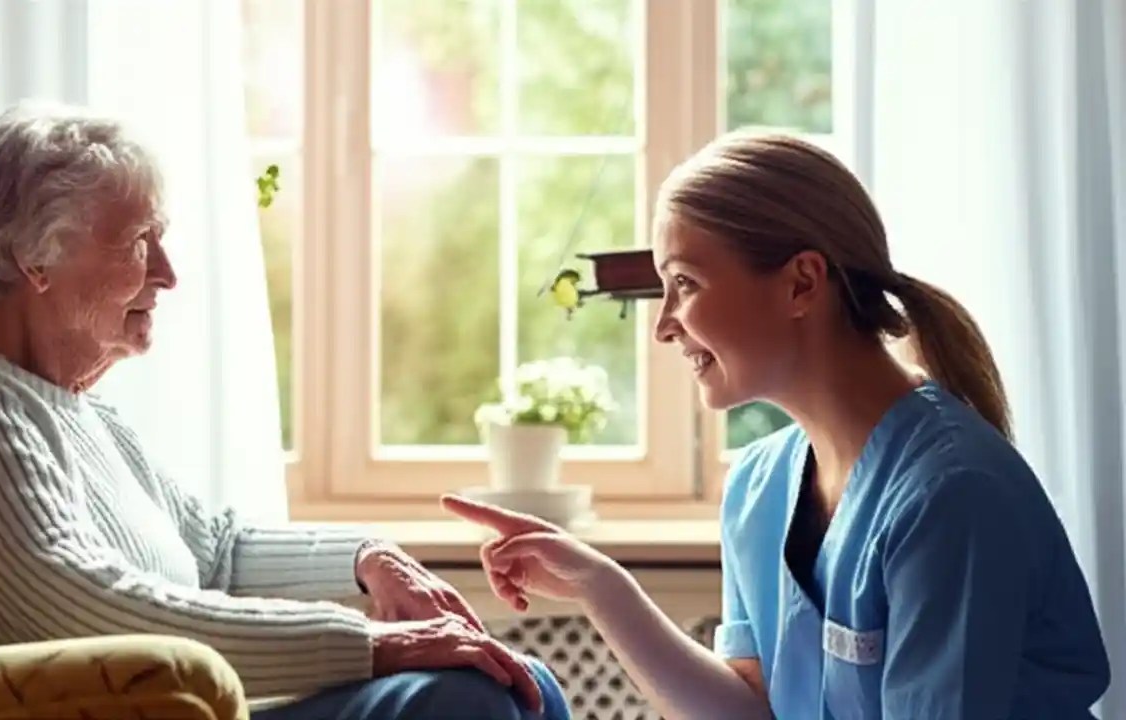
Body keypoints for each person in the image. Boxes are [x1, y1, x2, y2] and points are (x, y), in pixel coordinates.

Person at [0, 103, 570, 720]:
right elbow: (88, 615)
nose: (167, 272)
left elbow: (216, 549)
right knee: (474, 698)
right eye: (137, 242)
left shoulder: (74, 408)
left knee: (523, 683)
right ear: (34, 262)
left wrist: (367, 558)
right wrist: (373, 645)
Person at [444, 130, 1112, 719]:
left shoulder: (952, 496)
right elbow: (749, 709)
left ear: (800, 284)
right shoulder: (759, 485)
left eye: (686, 283)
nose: (663, 325)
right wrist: (601, 587)